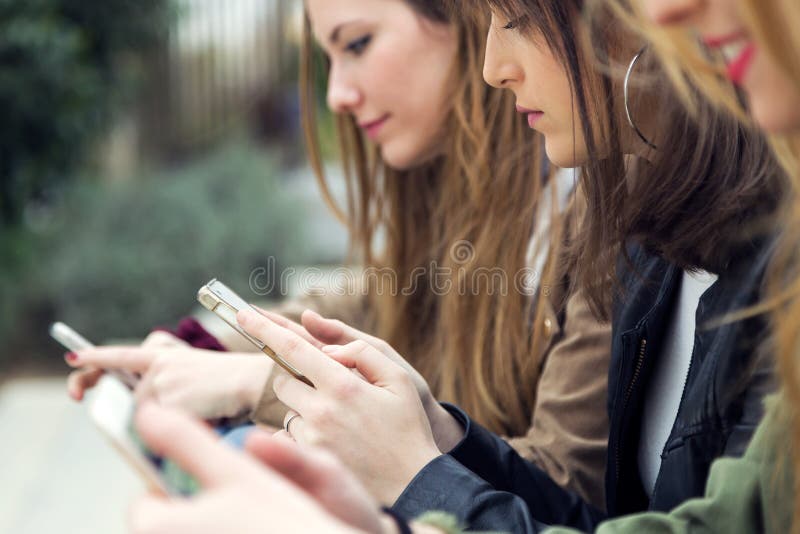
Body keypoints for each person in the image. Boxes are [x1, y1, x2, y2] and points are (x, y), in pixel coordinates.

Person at [129, 1, 800, 533]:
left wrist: (402, 468)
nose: (492, 66)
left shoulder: (609, 200)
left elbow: (576, 486)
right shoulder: (651, 226)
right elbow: (382, 296)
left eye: (357, 44)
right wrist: (438, 433)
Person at [66, 0, 613, 509]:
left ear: (466, 23)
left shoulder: (592, 206)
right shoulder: (441, 193)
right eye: (328, 58)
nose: (336, 96)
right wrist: (203, 348)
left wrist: (256, 383)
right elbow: (368, 294)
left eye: (356, 45)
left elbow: (568, 494)